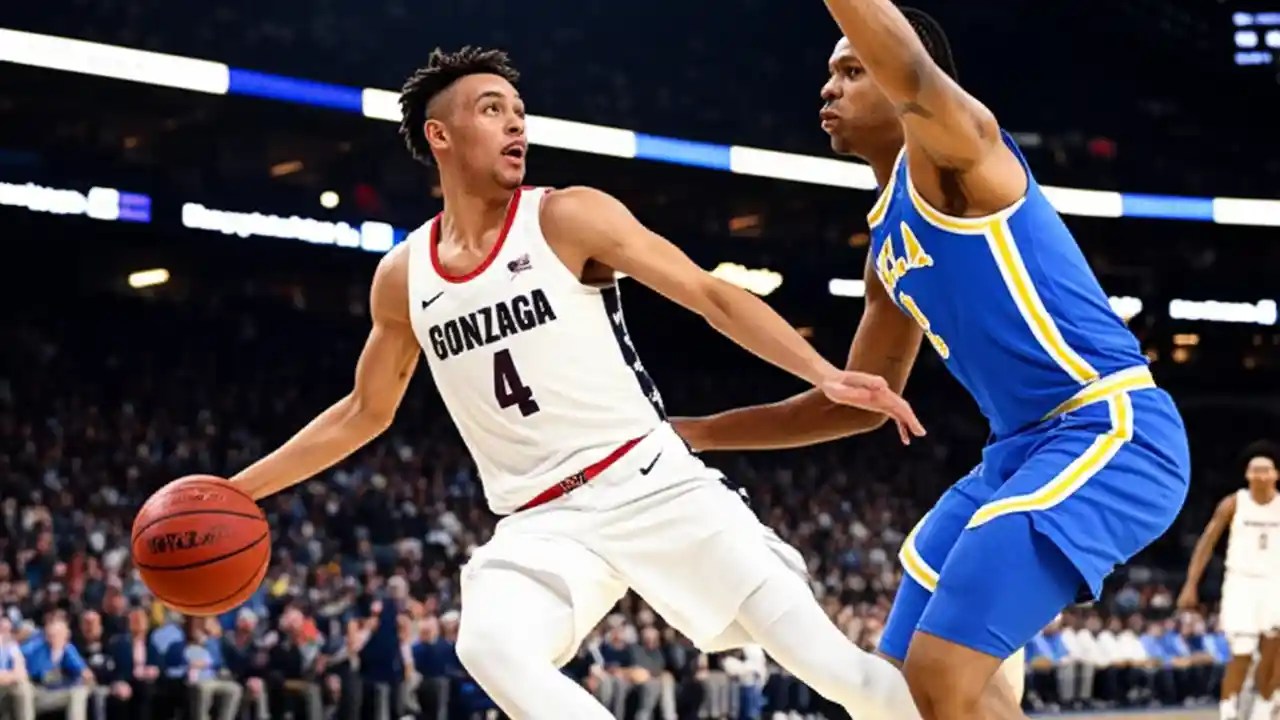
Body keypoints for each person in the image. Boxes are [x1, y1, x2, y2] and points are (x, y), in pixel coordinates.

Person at [227, 47, 925, 720]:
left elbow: (707, 294)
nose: (516, 123)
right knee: (490, 645)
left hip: (653, 482)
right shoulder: (404, 275)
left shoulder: (567, 215)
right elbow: (362, 412)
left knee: (838, 673)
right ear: (440, 135)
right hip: (542, 518)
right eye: (492, 108)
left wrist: (823, 374)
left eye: (519, 110)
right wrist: (236, 492)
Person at [672, 2, 1191, 718]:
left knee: (942, 675)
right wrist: (693, 432)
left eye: (853, 70)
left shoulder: (959, 152)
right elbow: (853, 401)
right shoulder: (885, 240)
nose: (829, 87)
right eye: (829, 73)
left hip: (1110, 427)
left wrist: (886, 48)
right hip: (1017, 451)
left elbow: (912, 68)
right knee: (907, 690)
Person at [1178, 441, 1280, 720]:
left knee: (1273, 651)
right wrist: (1190, 584)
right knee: (1242, 651)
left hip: (1274, 583)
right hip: (1241, 582)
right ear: (1247, 475)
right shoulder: (1233, 503)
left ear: (1275, 475)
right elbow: (1206, 544)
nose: (1260, 475)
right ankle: (1228, 710)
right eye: (1254, 470)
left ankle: (1265, 707)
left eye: (1266, 470)